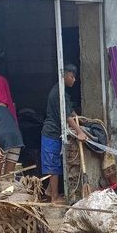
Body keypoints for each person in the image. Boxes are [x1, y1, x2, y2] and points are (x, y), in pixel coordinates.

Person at [41, 64, 87, 203]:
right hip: (51, 132)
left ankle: (49, 191)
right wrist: (79, 132)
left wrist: (81, 120)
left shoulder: (63, 92)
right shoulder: (57, 93)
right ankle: (54, 197)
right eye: (72, 76)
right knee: (53, 166)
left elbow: (70, 111)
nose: (74, 80)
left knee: (57, 163)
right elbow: (67, 116)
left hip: (57, 133)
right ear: (65, 75)